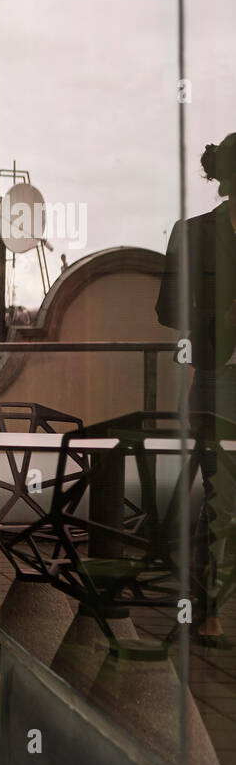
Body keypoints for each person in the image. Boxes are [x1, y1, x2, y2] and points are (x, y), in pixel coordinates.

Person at [155, 132, 236, 648]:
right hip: (217, 381)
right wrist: (219, 317)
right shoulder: (193, 234)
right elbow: (167, 310)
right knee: (224, 500)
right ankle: (207, 609)